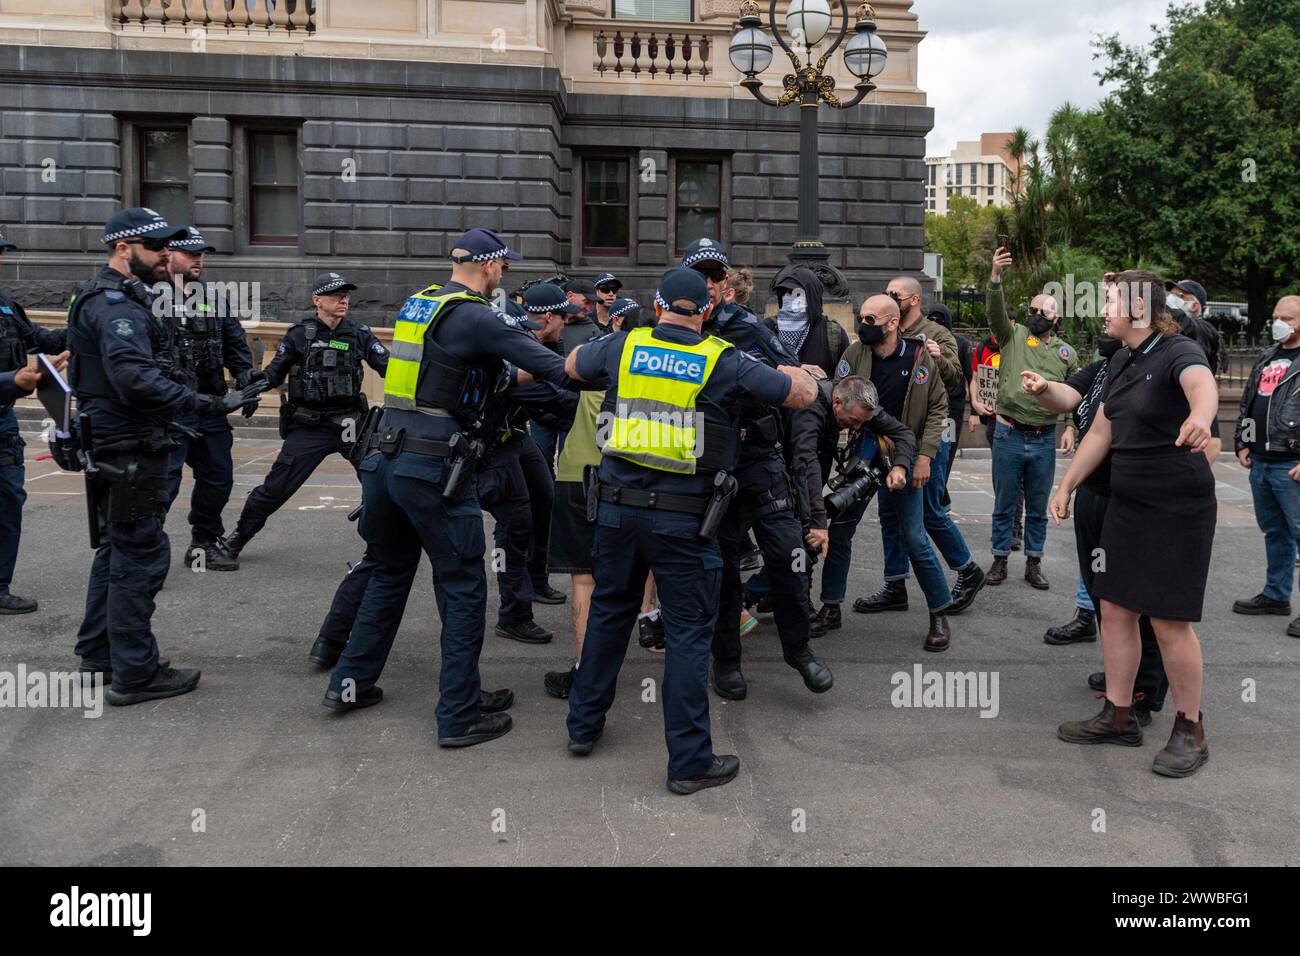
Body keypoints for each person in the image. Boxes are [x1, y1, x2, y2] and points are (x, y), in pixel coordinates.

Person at [564, 267, 817, 794]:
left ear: (658, 306)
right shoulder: (720, 359)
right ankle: (688, 762)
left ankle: (582, 727)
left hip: (614, 512)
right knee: (685, 635)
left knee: (611, 612)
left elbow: (571, 365)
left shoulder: (623, 345)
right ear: (706, 311)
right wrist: (803, 373)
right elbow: (797, 396)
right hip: (681, 521)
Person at [325, 228, 570, 749]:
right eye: (503, 264)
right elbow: (552, 367)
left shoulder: (423, 303)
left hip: (384, 456)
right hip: (433, 463)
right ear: (488, 266)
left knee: (389, 573)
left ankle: (349, 685)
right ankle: (458, 715)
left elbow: (470, 377)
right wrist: (608, 366)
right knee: (461, 586)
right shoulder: (479, 314)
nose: (505, 273)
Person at [67, 208, 258, 705]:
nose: (164, 257)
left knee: (115, 550)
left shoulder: (106, 296)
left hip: (115, 442)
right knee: (140, 557)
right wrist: (206, 403)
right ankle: (135, 673)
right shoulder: (118, 305)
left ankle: (99, 656)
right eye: (156, 248)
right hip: (132, 445)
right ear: (123, 248)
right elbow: (136, 379)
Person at [1051, 270, 1217, 778]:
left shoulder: (1176, 350)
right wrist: (1066, 485)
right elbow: (1101, 430)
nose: (1103, 310)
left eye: (1110, 302)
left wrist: (1203, 417)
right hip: (1127, 501)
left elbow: (1202, 384)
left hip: (1175, 505)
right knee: (1116, 608)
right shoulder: (1123, 359)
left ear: (1140, 309)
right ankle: (1118, 715)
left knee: (1168, 620)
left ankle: (1190, 729)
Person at [684, 239, 833, 700]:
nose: (708, 286)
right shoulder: (671, 334)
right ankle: (726, 660)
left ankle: (799, 651)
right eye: (699, 277)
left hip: (759, 460)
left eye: (715, 277)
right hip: (707, 466)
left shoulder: (748, 329)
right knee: (722, 570)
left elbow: (796, 384)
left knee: (790, 557)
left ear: (724, 284)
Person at [1022, 338, 1170, 725]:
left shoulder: (1158, 362)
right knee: (1104, 593)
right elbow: (1069, 396)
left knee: (1134, 598)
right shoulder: (1112, 362)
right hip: (1095, 493)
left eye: (1111, 307)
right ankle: (1121, 670)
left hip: (1130, 498)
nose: (1104, 316)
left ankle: (1144, 688)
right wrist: (1043, 388)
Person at [821, 295, 955, 649]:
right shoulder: (854, 355)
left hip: (905, 449)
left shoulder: (918, 356)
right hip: (865, 448)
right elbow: (839, 404)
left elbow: (939, 406)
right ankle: (830, 606)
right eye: (861, 317)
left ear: (892, 323)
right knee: (841, 527)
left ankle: (939, 612)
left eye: (869, 319)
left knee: (914, 535)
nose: (862, 325)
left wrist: (924, 457)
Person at [223, 273, 388, 559]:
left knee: (383, 482)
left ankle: (386, 548)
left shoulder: (359, 333)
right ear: (317, 300)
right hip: (311, 424)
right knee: (276, 488)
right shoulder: (300, 334)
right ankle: (238, 538)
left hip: (351, 423)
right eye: (336, 295)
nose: (343, 300)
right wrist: (253, 386)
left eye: (346, 295)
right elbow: (275, 372)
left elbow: (389, 367)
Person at [855, 280, 984, 616]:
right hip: (888, 439)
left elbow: (955, 377)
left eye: (895, 293)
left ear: (912, 300)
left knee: (927, 509)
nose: (888, 295)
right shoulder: (880, 332)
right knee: (888, 512)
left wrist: (938, 358)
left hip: (928, 434)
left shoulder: (935, 333)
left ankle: (967, 570)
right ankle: (895, 583)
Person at [160, 226, 256, 572]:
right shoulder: (147, 297)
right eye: (190, 253)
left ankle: (204, 542)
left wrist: (245, 375)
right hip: (170, 410)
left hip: (212, 405)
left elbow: (233, 341)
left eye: (201, 253)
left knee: (218, 477)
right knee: (162, 482)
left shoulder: (213, 297)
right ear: (167, 254)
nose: (198, 258)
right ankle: (144, 549)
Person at [984, 246, 1080, 589]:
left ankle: (1034, 561)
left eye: (1046, 311)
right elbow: (995, 310)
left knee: (1038, 504)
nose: (1038, 314)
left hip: (1043, 437)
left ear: (1056, 319)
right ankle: (998, 559)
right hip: (1008, 431)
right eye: (1034, 309)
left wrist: (1070, 427)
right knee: (1004, 501)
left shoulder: (1066, 353)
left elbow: (1076, 393)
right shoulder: (1013, 334)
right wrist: (995, 276)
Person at [788, 374, 915, 610]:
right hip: (785, 479)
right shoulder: (811, 406)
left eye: (862, 422)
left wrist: (900, 465)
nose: (858, 427)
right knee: (797, 542)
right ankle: (769, 598)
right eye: (854, 420)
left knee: (806, 545)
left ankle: (789, 600)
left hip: (807, 480)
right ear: (837, 402)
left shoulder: (857, 407)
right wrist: (818, 520)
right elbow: (805, 463)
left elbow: (904, 433)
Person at [0, 228, 68, 614]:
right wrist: (13, 380)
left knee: (8, 505)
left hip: (3, 427)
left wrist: (87, 324)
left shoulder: (5, 305)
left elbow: (38, 339)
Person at [1232, 295, 1300, 637]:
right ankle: (1276, 595)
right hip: (1262, 460)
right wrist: (1243, 442)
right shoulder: (1268, 356)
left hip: (1291, 463)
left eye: (1286, 317)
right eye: (1276, 316)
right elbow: (1248, 401)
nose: (1278, 322)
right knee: (1275, 532)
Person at [768, 266, 849, 377]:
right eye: (784, 292)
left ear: (812, 296)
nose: (788, 297)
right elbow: (754, 361)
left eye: (796, 293)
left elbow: (845, 378)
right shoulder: (768, 328)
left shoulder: (833, 334)